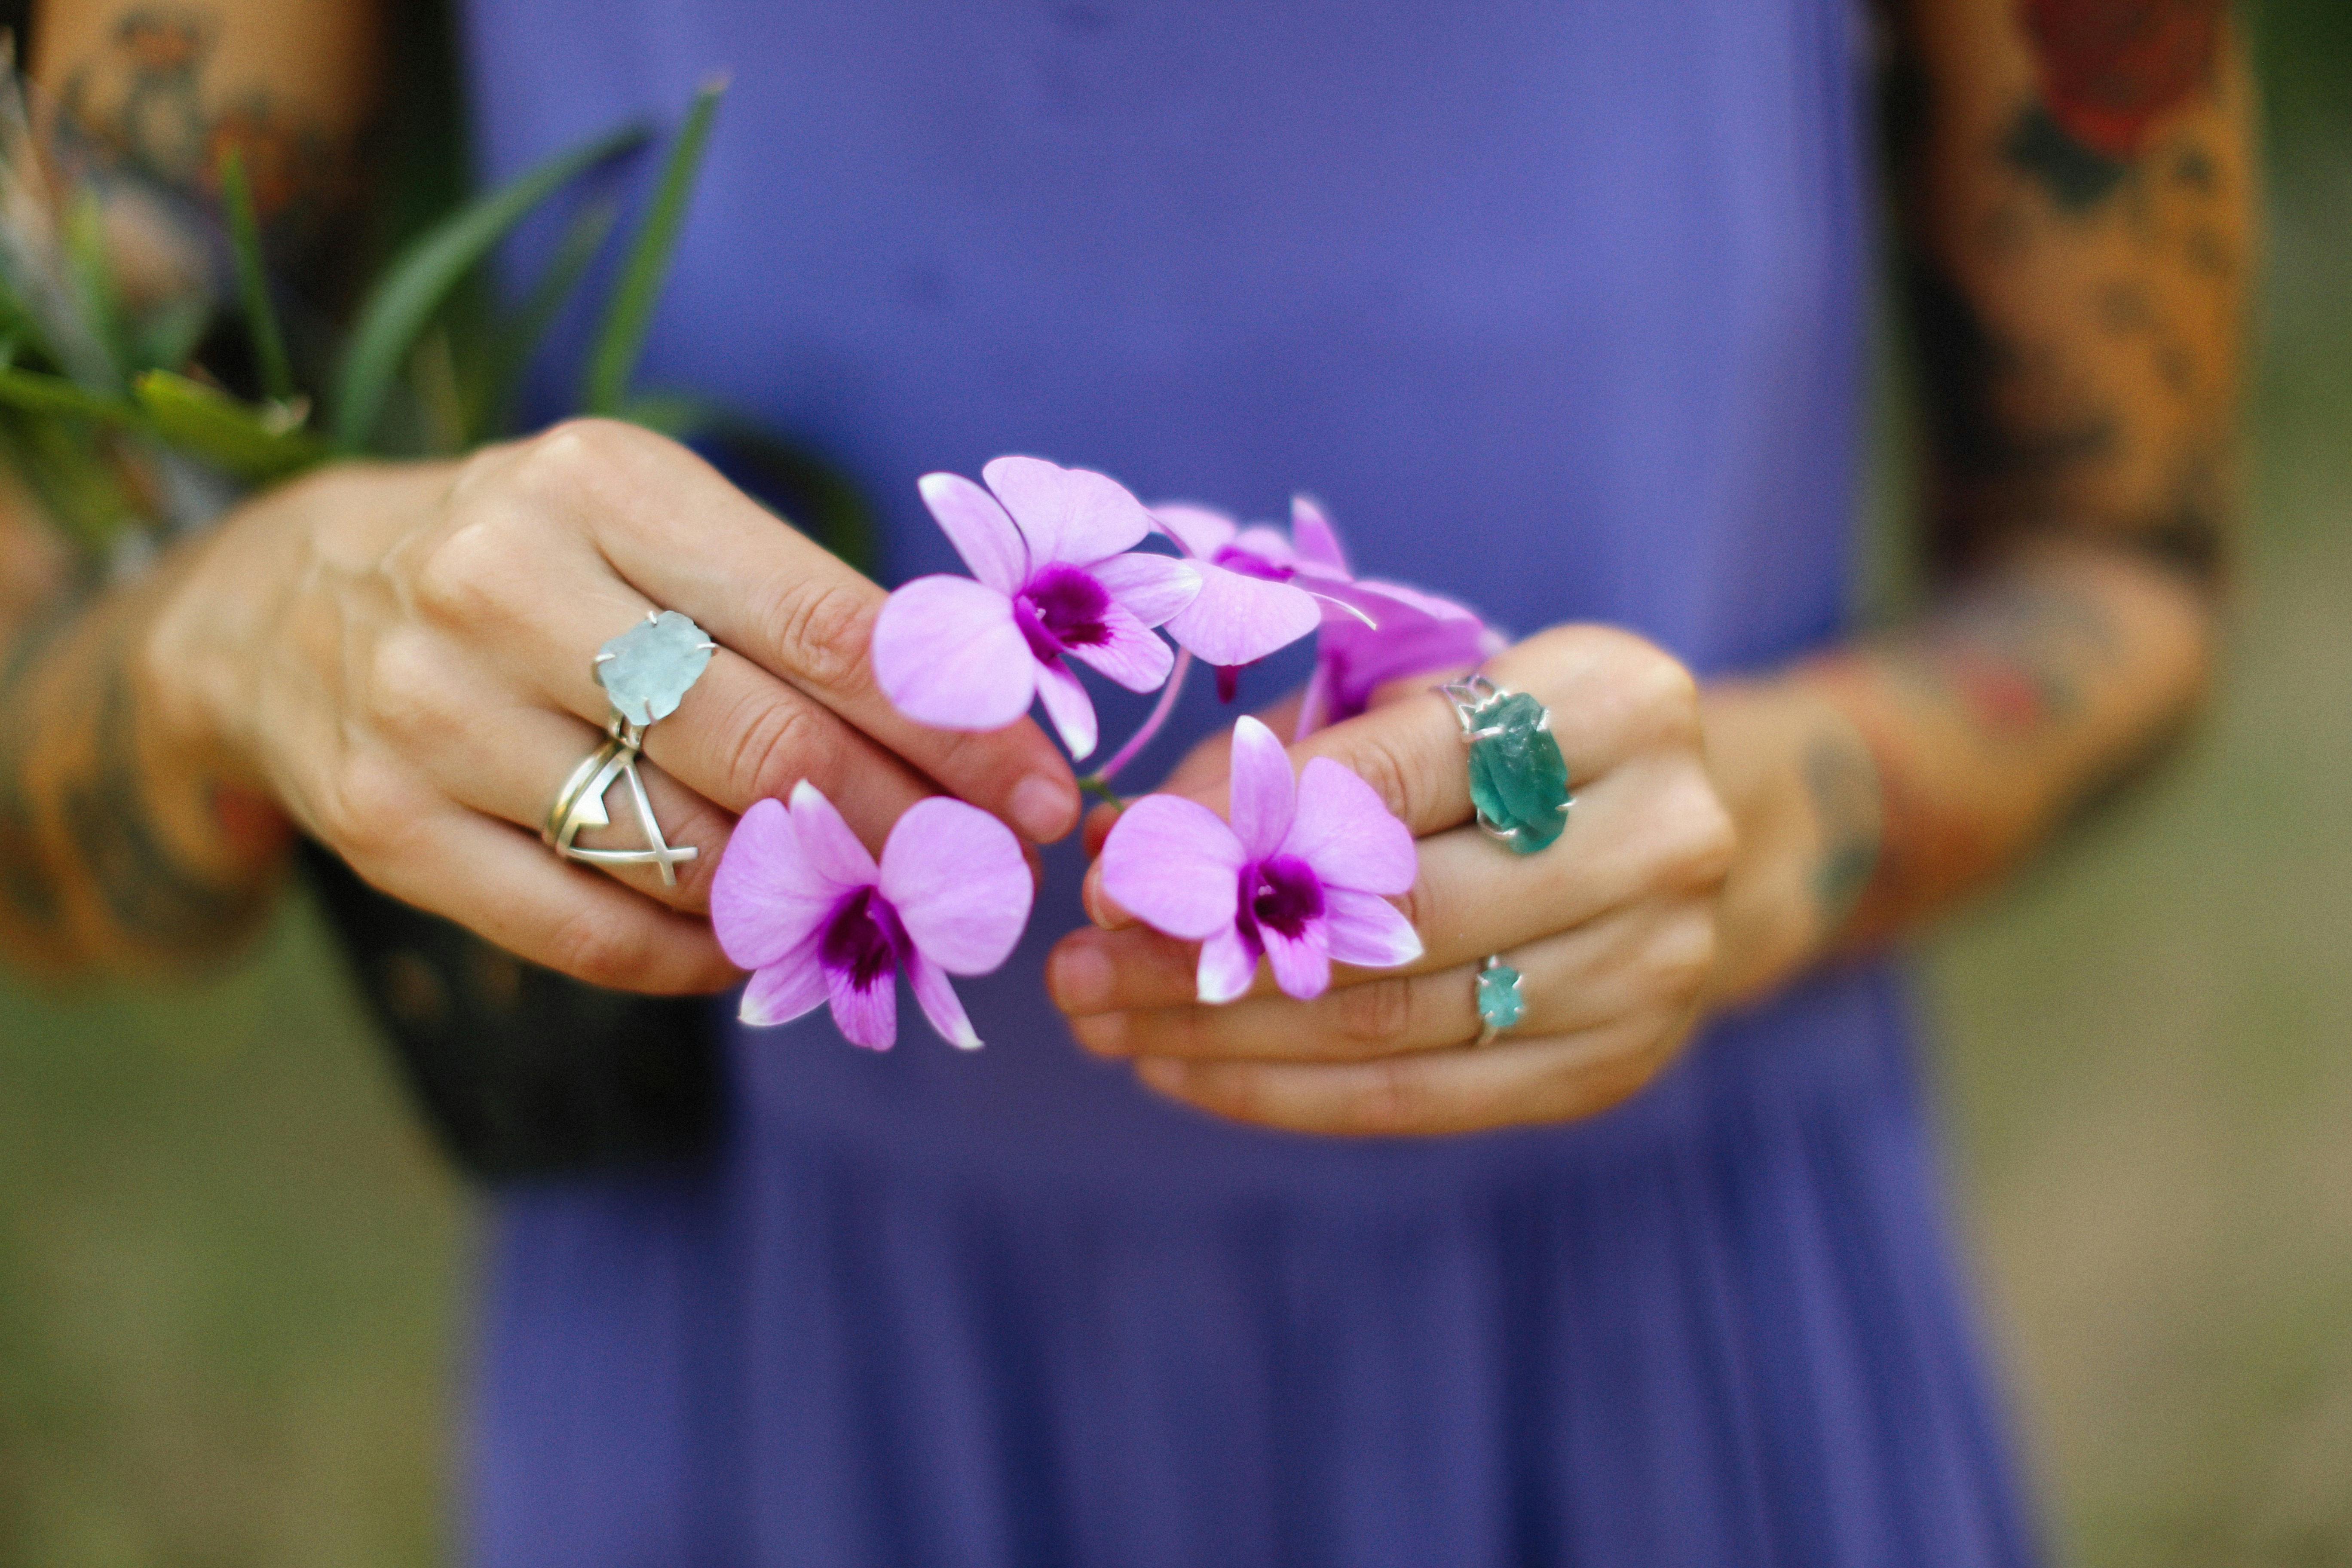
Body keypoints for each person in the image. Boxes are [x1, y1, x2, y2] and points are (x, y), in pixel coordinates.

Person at [6, 0, 2249, 1561]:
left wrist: (1776, 821)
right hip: (783, 1361)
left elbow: (2129, 573)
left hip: (1651, 1324)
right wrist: (235, 627)